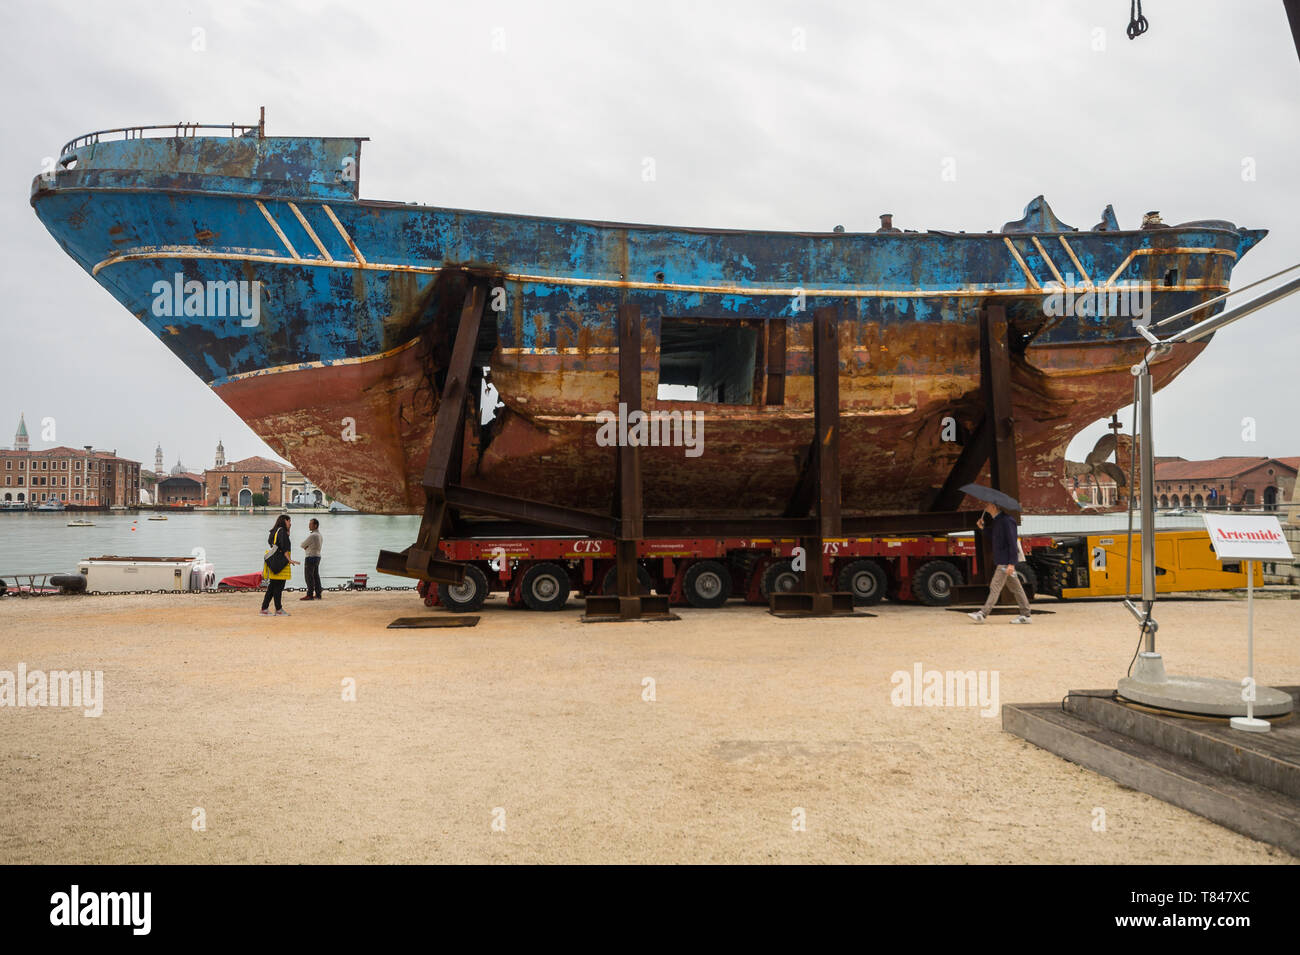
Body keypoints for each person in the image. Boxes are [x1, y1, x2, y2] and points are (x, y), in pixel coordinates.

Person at [968, 501, 1031, 624]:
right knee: (1016, 588)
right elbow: (994, 537)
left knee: (995, 586)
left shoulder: (1007, 520)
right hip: (1003, 560)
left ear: (994, 506)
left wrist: (1012, 563)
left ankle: (983, 613)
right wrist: (983, 528)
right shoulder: (998, 520)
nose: (985, 507)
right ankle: (1026, 615)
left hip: (1005, 561)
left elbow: (1012, 543)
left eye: (987, 505)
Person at [261, 514, 300, 616]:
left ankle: (264, 609)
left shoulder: (275, 531)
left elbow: (272, 543)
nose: (290, 523)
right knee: (279, 586)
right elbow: (284, 547)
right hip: (281, 563)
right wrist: (289, 560)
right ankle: (278, 609)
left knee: (272, 586)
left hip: (275, 563)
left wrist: (288, 531)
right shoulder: (282, 531)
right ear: (284, 521)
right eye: (289, 521)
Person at [300, 518, 323, 600]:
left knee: (309, 576)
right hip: (317, 556)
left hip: (310, 557)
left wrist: (306, 547)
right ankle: (318, 594)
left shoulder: (312, 535)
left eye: (310, 524)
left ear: (315, 525)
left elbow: (302, 545)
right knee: (316, 576)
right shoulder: (319, 535)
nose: (309, 526)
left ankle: (309, 594)